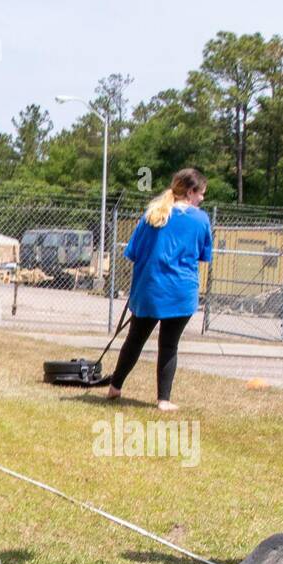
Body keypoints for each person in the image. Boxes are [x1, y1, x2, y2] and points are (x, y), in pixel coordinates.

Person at [106, 167, 213, 411]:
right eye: (201, 193)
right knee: (169, 345)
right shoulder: (200, 219)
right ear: (191, 191)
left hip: (150, 289)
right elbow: (203, 255)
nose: (202, 198)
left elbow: (133, 252)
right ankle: (163, 400)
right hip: (181, 291)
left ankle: (115, 387)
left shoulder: (153, 213)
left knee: (135, 340)